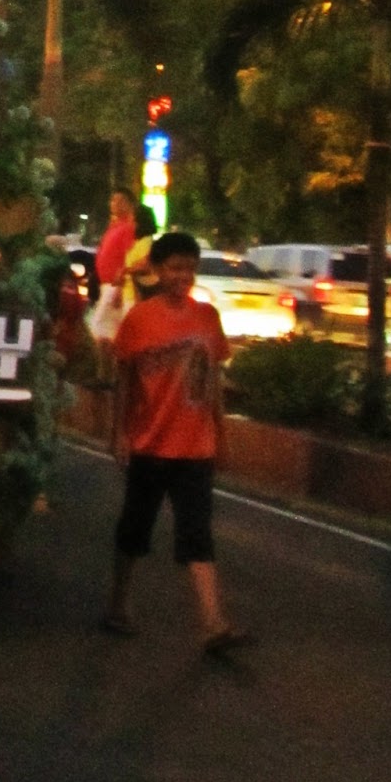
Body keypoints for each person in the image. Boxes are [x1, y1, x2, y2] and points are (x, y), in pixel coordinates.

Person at [103, 230, 253, 656]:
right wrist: (119, 433)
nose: (181, 276)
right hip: (149, 444)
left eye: (188, 268)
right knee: (134, 530)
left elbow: (214, 384)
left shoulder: (207, 318)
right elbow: (125, 381)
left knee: (197, 534)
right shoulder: (139, 320)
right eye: (173, 268)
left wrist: (221, 434)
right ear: (156, 270)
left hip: (195, 448)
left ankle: (212, 624)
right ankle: (117, 605)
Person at [88, 187, 138, 361]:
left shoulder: (129, 228)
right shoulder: (115, 226)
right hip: (106, 285)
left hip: (115, 286)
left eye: (118, 201)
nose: (113, 204)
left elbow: (128, 258)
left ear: (129, 204)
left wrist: (119, 288)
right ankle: (108, 373)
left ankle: (108, 371)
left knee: (99, 328)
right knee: (109, 332)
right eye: (112, 200)